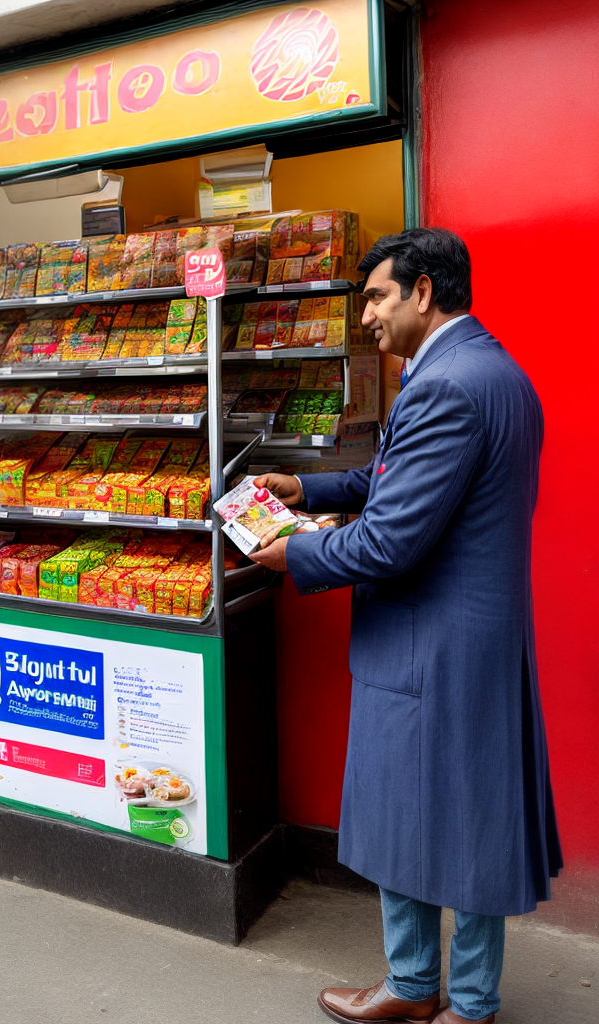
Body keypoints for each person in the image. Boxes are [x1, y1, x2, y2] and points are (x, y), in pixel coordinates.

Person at [248, 228, 562, 1024]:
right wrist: (309, 490)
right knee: (468, 816)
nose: (366, 317)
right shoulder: (488, 370)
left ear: (424, 291)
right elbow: (396, 477)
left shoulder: (444, 386)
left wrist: (293, 556)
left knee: (418, 814)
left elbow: (391, 537)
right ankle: (435, 991)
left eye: (377, 296)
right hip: (474, 635)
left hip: (429, 643)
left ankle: (446, 995)